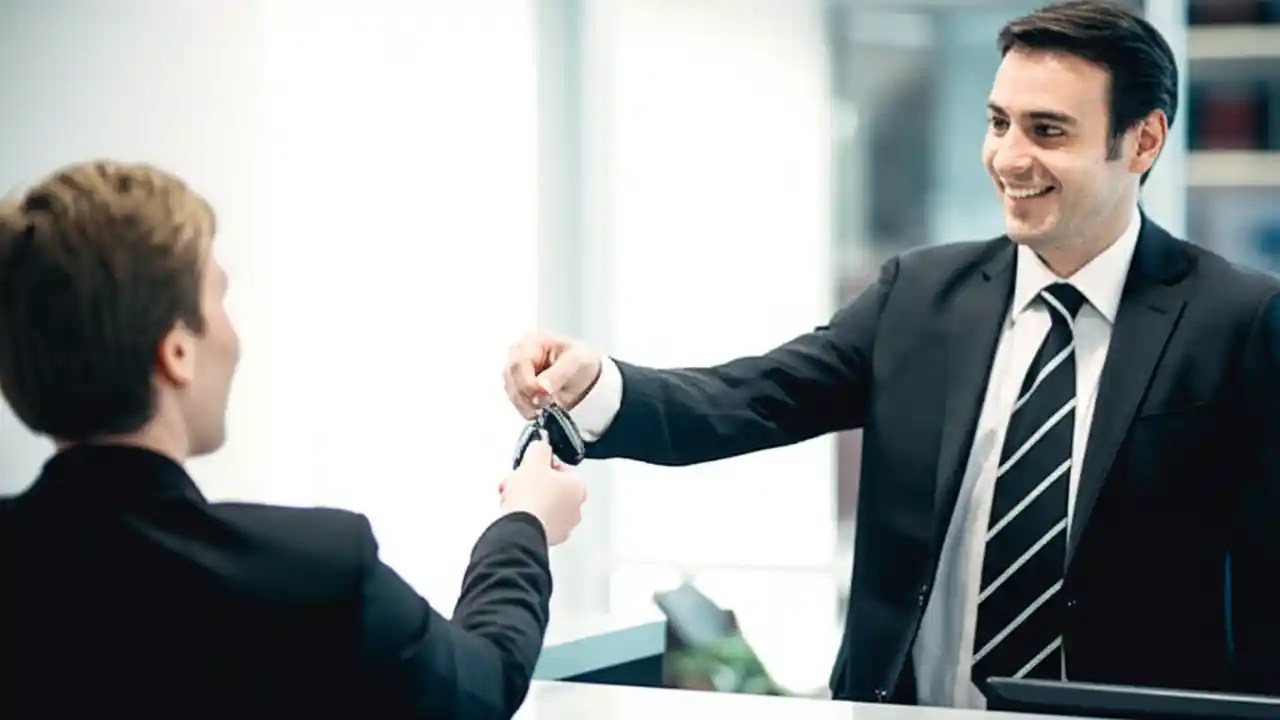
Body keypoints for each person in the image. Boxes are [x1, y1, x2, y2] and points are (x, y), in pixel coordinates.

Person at [504, 0, 1280, 709]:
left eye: (1048, 131)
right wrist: (597, 387)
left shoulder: (1239, 321)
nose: (1009, 158)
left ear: (1142, 140)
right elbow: (750, 399)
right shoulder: (918, 297)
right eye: (998, 122)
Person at [0, 160, 587, 719]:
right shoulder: (315, 573)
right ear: (176, 353)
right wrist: (524, 520)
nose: (233, 335)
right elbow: (482, 687)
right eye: (219, 298)